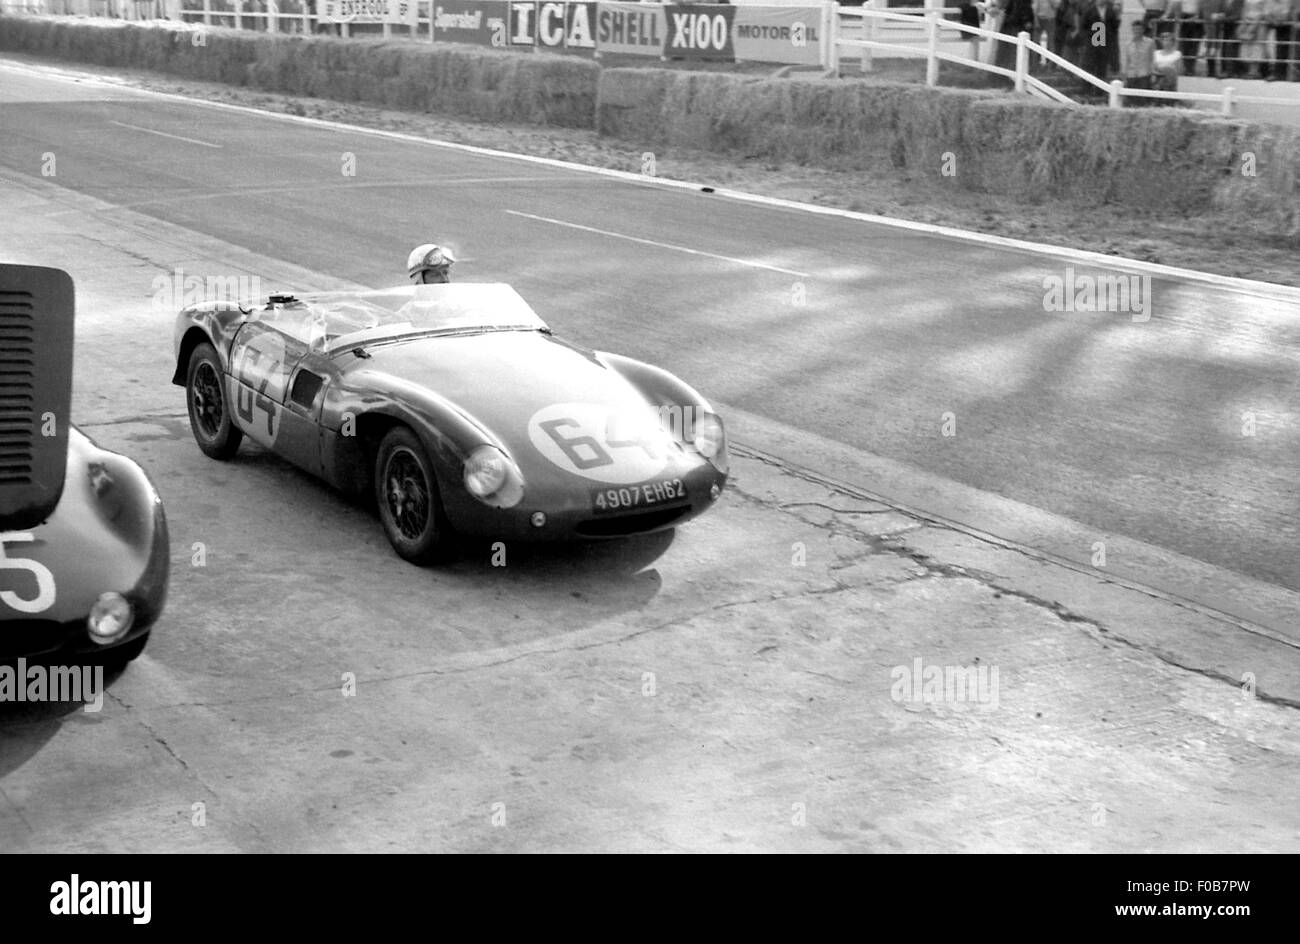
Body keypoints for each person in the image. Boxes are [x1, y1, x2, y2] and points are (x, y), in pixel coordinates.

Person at [1122, 18, 1158, 97]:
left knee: (1143, 99)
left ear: (1143, 30)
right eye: (1135, 29)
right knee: (1131, 99)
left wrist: (1153, 74)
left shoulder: (1150, 43)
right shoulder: (1128, 44)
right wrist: (1124, 77)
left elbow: (1153, 59)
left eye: (1139, 29)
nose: (1137, 31)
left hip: (1144, 75)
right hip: (1131, 75)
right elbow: (1126, 61)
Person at [1203, 0, 1228, 76]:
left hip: (1217, 28)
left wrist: (1218, 16)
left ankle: (1217, 71)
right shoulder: (1204, 1)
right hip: (1207, 28)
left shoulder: (1221, 1)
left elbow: (1225, 13)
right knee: (1208, 48)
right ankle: (1210, 71)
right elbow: (1202, 13)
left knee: (1216, 48)